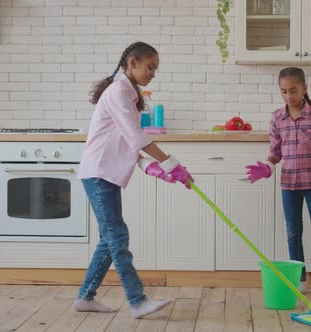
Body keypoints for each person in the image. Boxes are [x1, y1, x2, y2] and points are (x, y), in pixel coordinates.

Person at [75, 41, 194, 318]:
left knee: (109, 238)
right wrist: (170, 163)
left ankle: (85, 297)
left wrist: (148, 166)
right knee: (117, 235)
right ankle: (138, 301)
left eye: (155, 68)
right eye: (150, 67)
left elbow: (123, 140)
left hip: (106, 172)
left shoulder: (127, 94)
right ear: (133, 63)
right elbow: (136, 138)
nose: (153, 73)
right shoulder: (118, 91)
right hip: (98, 172)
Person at [245, 67, 311, 298]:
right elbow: (275, 151)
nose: (289, 96)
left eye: (294, 90)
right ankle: (300, 281)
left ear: (304, 88)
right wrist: (267, 165)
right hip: (289, 183)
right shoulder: (277, 118)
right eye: (284, 91)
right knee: (293, 233)